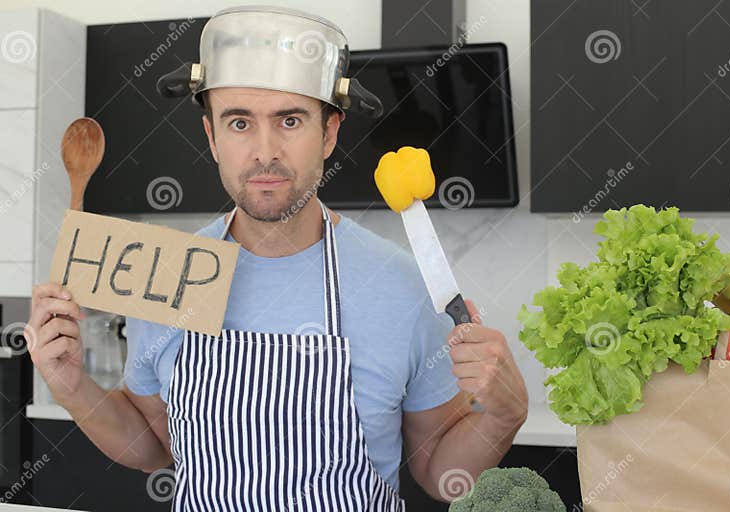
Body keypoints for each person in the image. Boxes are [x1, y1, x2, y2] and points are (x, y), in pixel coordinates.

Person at [27, 6, 528, 510]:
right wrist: (73, 387)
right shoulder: (167, 274)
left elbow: (440, 470)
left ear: (329, 133)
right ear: (212, 138)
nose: (264, 152)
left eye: (289, 120)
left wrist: (503, 416)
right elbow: (153, 447)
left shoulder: (401, 283)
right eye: (239, 122)